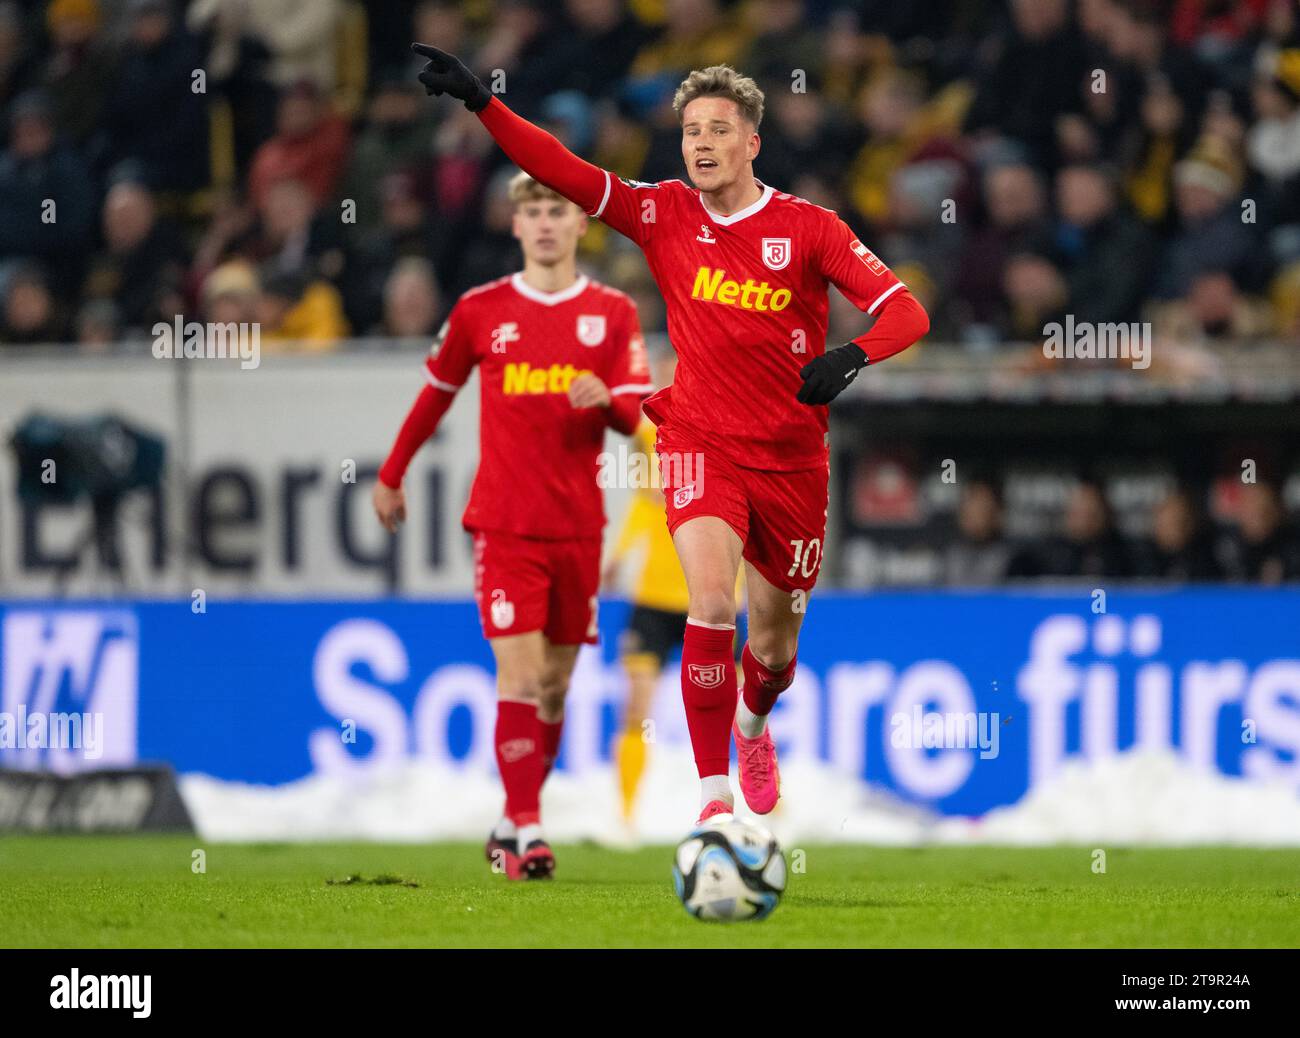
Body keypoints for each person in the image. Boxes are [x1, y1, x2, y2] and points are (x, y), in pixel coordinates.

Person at [409, 45, 928, 824]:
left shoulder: (810, 228)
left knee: (775, 649)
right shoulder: (661, 213)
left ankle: (754, 723)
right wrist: (485, 104)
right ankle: (713, 799)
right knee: (711, 605)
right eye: (691, 132)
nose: (703, 144)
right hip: (699, 439)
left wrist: (852, 355)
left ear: (751, 142)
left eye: (719, 129)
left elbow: (908, 312)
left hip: (791, 460)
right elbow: (562, 167)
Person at [372, 172, 651, 878]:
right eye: (533, 212)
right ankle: (529, 830)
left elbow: (638, 413)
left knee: (554, 687)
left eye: (558, 210)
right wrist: (392, 472)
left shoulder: (613, 314)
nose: (546, 223)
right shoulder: (480, 311)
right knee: (520, 679)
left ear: (579, 223)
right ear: (516, 225)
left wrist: (607, 404)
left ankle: (509, 815)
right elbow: (436, 393)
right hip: (504, 526)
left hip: (579, 527)